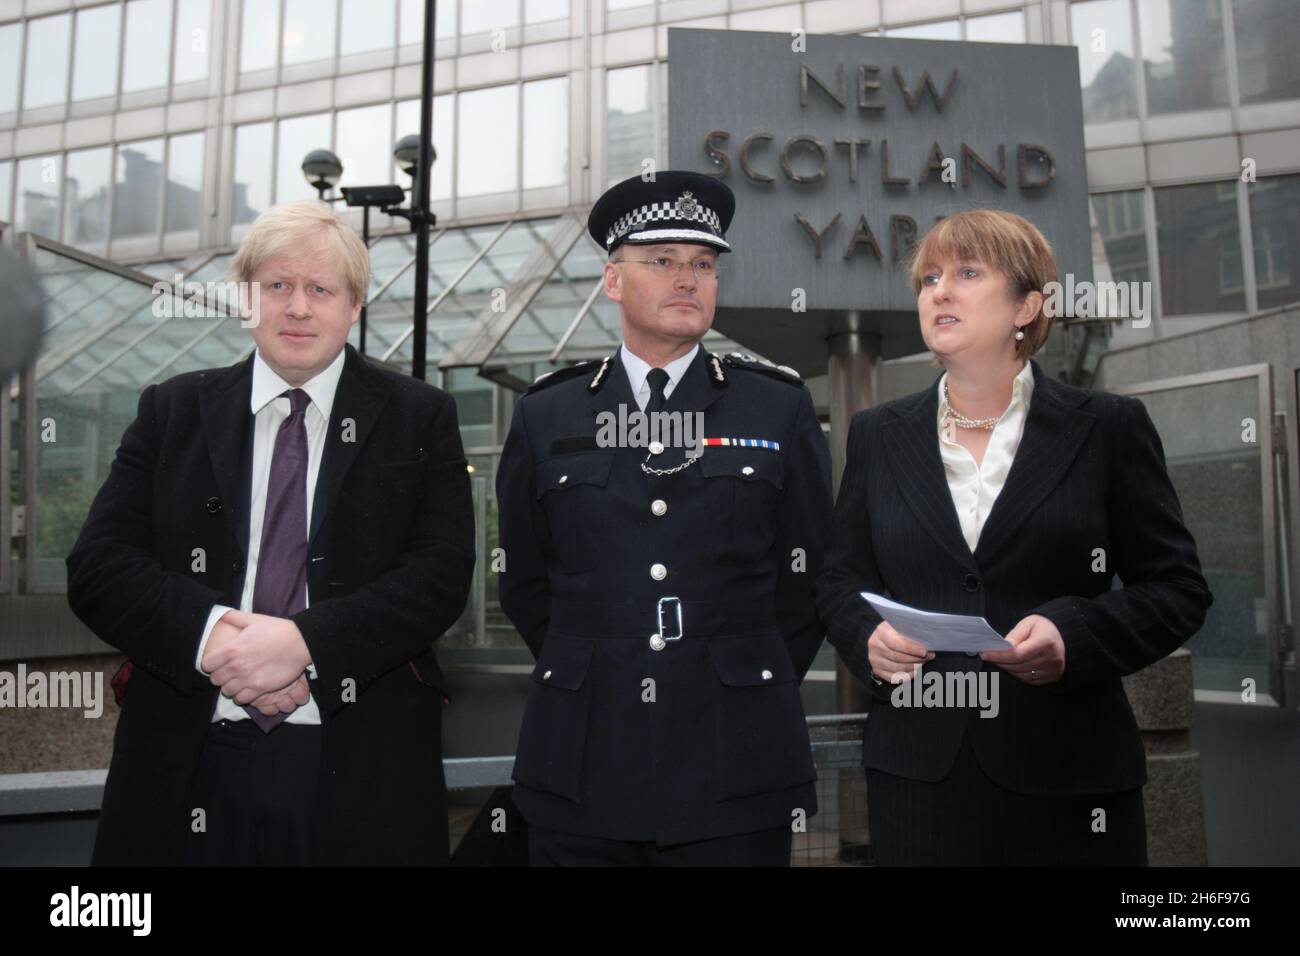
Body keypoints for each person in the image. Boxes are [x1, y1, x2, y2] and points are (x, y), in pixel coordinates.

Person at [66, 200, 476, 866]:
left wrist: (305, 646)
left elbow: (439, 576)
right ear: (244, 298)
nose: (298, 307)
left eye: (321, 289)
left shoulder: (418, 419)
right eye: (277, 286)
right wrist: (220, 636)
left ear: (354, 306)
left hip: (360, 773)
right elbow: (99, 567)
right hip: (187, 766)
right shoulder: (172, 411)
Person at [815, 209, 1213, 866]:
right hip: (920, 782)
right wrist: (867, 638)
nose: (938, 291)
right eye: (929, 279)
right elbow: (837, 578)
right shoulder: (878, 435)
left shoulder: (1108, 427)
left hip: (1071, 782)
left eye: (967, 273)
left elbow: (1177, 588)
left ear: (1027, 305)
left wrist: (1073, 634)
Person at [496, 171, 832, 866]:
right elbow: (528, 585)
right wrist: (596, 670)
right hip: (586, 765)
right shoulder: (547, 412)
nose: (688, 279)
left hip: (735, 768)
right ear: (613, 281)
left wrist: (737, 677)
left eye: (703, 264)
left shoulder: (776, 407)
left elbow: (807, 581)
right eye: (663, 262)